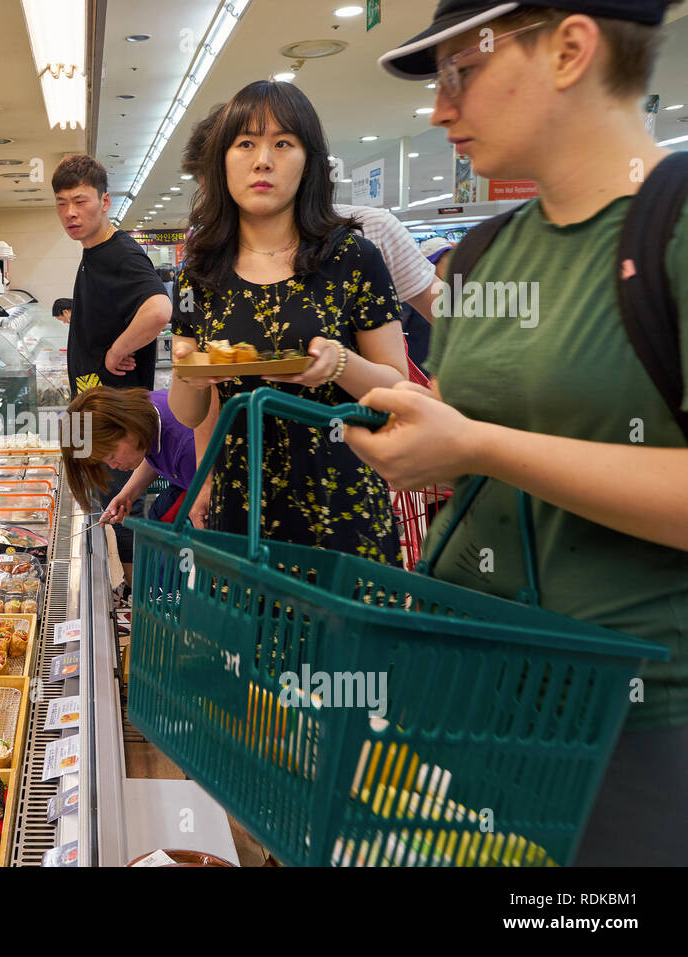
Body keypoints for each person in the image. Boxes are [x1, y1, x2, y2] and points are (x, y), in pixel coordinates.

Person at [354, 0, 688, 865]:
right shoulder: (480, 258)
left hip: (632, 727)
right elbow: (475, 466)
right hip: (472, 691)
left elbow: (487, 447)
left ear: (572, 49)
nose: (439, 108)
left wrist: (478, 446)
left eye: (462, 71)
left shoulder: (671, 231)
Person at [166, 80, 408, 563]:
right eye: (246, 144)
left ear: (309, 161)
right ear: (223, 161)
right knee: (250, 637)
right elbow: (192, 412)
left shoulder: (352, 257)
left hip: (342, 497)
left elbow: (397, 391)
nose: (263, 160)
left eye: (283, 143)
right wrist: (190, 373)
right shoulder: (198, 274)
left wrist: (340, 363)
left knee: (342, 638)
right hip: (242, 500)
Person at [53, 154, 172, 574]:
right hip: (91, 414)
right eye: (62, 203)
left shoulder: (121, 252)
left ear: (104, 202)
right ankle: (115, 585)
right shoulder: (93, 251)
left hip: (115, 422)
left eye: (81, 201)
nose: (70, 212)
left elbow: (160, 310)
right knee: (98, 503)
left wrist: (117, 350)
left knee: (122, 506)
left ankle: (135, 599)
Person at [59, 386, 197, 526]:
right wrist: (127, 495)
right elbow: (158, 453)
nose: (113, 466)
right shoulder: (145, 411)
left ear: (126, 428)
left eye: (112, 456)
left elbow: (211, 529)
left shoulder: (186, 450)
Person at [399, 237, 456, 372]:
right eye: (445, 258)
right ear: (432, 264)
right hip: (423, 368)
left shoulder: (455, 291)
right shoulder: (413, 296)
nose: (450, 263)